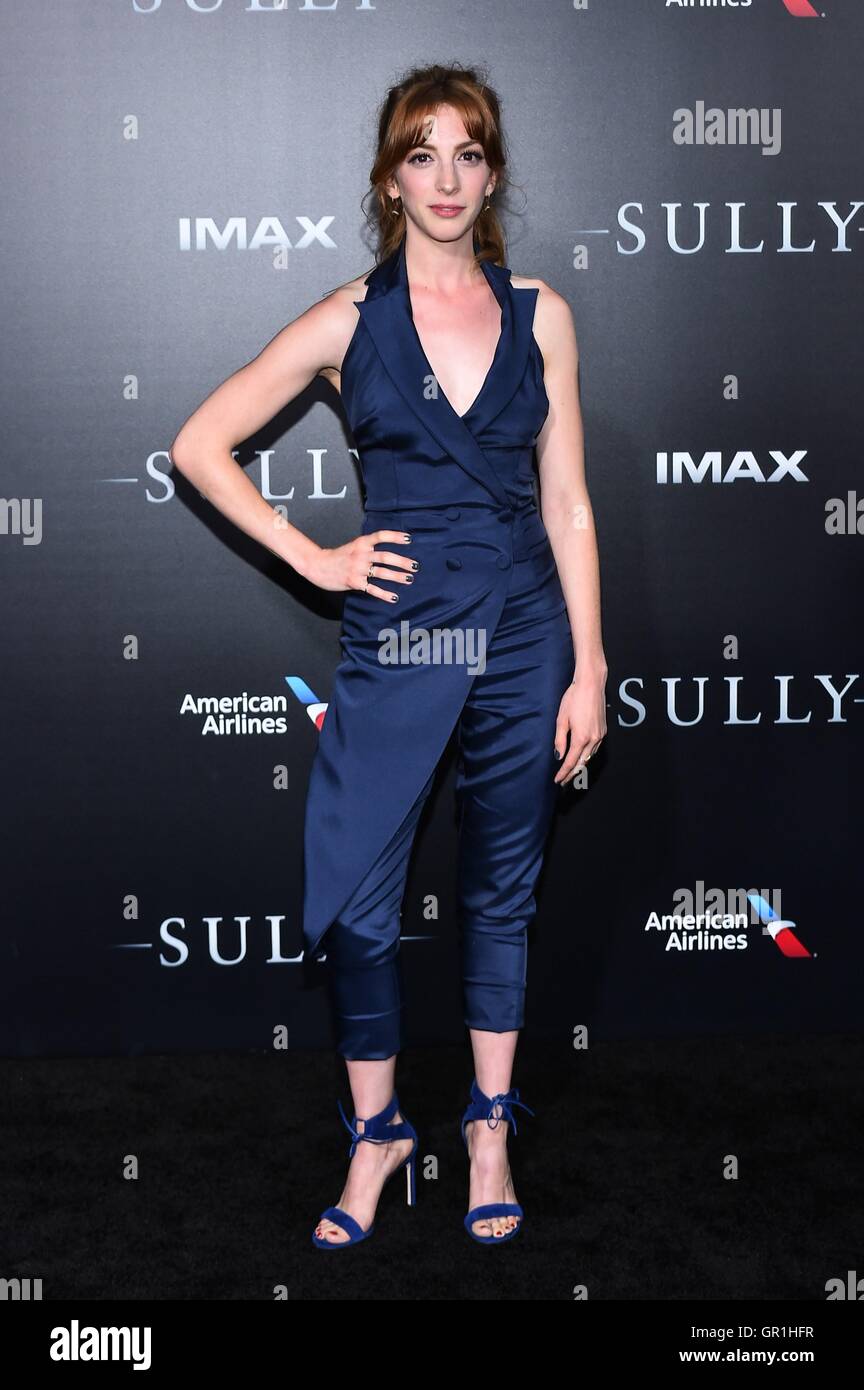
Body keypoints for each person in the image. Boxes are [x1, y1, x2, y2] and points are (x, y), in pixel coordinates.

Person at [170, 63, 607, 1249]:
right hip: (405, 630)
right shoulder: (345, 321)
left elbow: (566, 503)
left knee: (500, 886)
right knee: (361, 904)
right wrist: (312, 559)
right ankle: (376, 1137)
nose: (448, 176)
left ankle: (488, 1128)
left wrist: (592, 665)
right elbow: (198, 443)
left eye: (469, 152)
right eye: (424, 152)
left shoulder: (543, 315)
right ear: (389, 176)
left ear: (495, 171)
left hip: (523, 623)